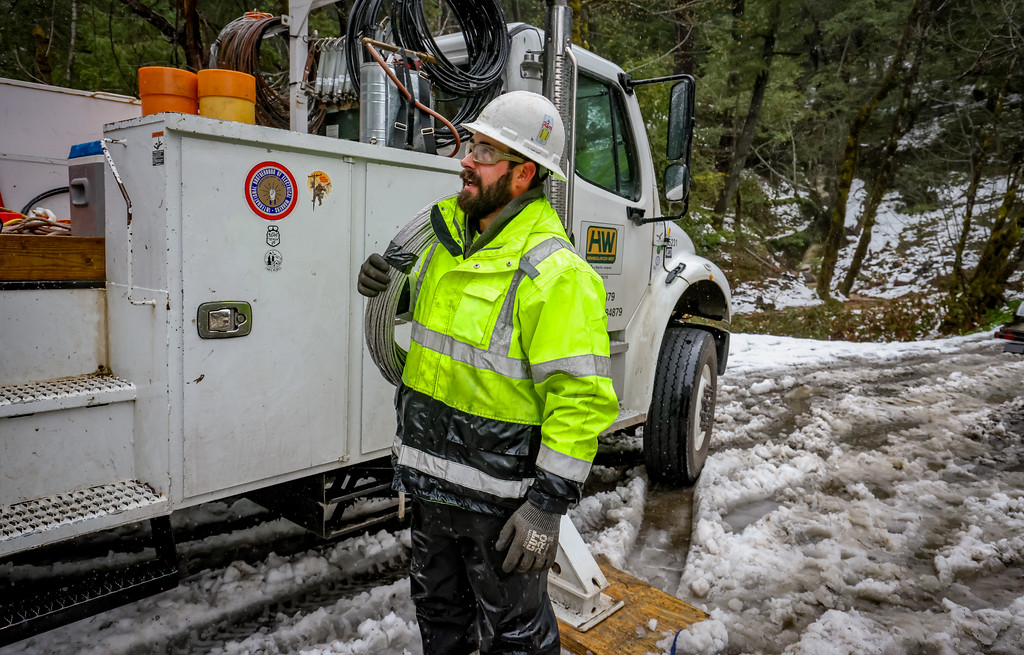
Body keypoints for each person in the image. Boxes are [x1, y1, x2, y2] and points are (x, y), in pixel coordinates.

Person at [357, 90, 618, 655]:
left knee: (515, 638)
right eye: (471, 144)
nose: (465, 160)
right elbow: (423, 317)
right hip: (429, 482)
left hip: (500, 505)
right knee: (440, 615)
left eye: (483, 151)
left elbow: (581, 399)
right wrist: (387, 286)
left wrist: (546, 506)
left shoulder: (555, 272)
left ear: (523, 173)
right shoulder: (446, 237)